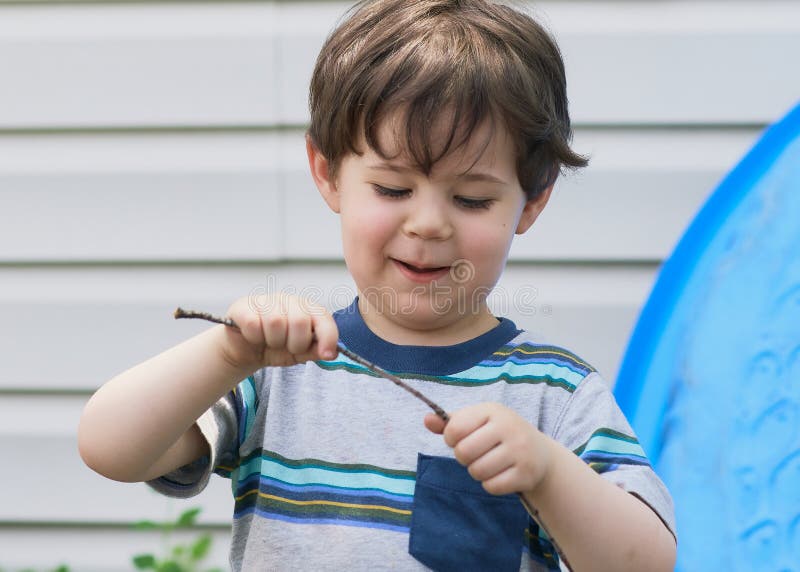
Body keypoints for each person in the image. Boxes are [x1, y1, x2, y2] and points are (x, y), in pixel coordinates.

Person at [78, 0, 676, 569]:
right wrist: (227, 352)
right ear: (327, 173)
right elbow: (111, 448)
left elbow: (646, 561)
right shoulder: (279, 371)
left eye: (471, 198)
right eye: (392, 189)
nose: (428, 223)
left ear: (531, 202)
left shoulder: (553, 393)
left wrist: (548, 473)